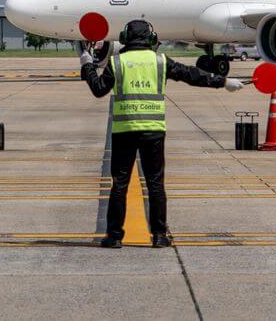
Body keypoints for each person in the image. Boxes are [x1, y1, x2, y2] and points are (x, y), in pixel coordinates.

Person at [79, 20, 244, 248]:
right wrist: (223, 81)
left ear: (126, 37)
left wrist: (87, 64)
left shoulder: (117, 62)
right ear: (151, 38)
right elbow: (191, 75)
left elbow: (98, 89)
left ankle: (114, 236)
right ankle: (159, 236)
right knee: (155, 184)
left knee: (119, 184)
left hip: (124, 131)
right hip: (154, 131)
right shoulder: (160, 61)